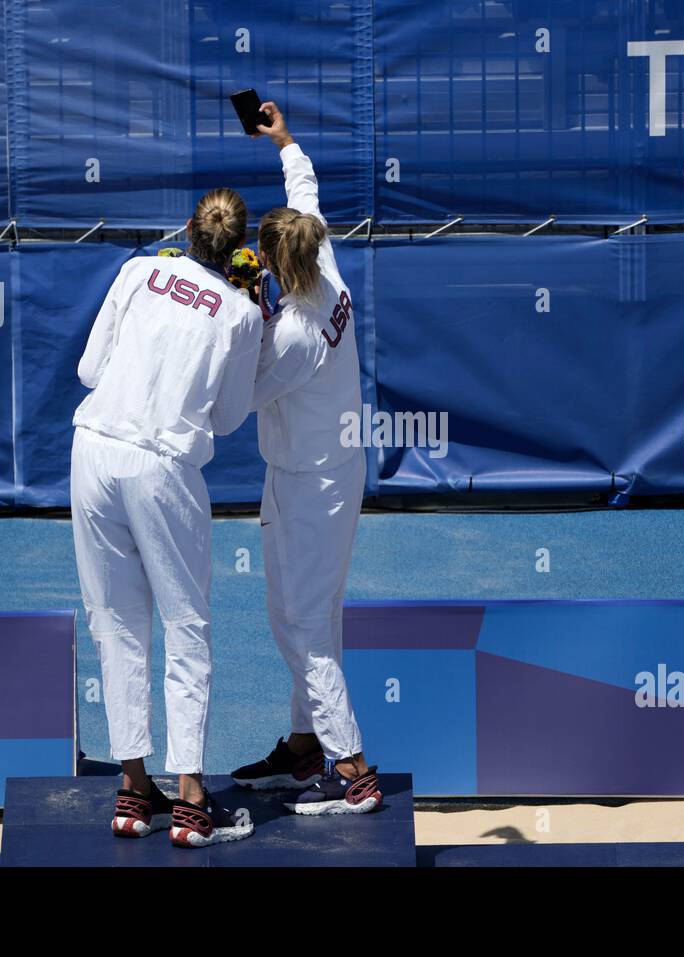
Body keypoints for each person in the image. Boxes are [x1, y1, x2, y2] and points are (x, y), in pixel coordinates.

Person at [71, 188, 262, 846]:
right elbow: (231, 418)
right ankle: (188, 797)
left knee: (116, 623)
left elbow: (89, 368)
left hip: (92, 451)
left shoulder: (135, 269)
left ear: (187, 229)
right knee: (187, 628)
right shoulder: (242, 313)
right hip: (163, 467)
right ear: (240, 246)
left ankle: (133, 790)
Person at [230, 102, 381, 815]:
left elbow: (239, 399)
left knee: (300, 625)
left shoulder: (290, 334)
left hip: (307, 485)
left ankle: (353, 770)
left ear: (274, 265)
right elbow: (306, 190)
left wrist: (240, 315)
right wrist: (283, 140)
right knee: (318, 612)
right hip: (330, 470)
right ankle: (303, 749)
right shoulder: (323, 257)